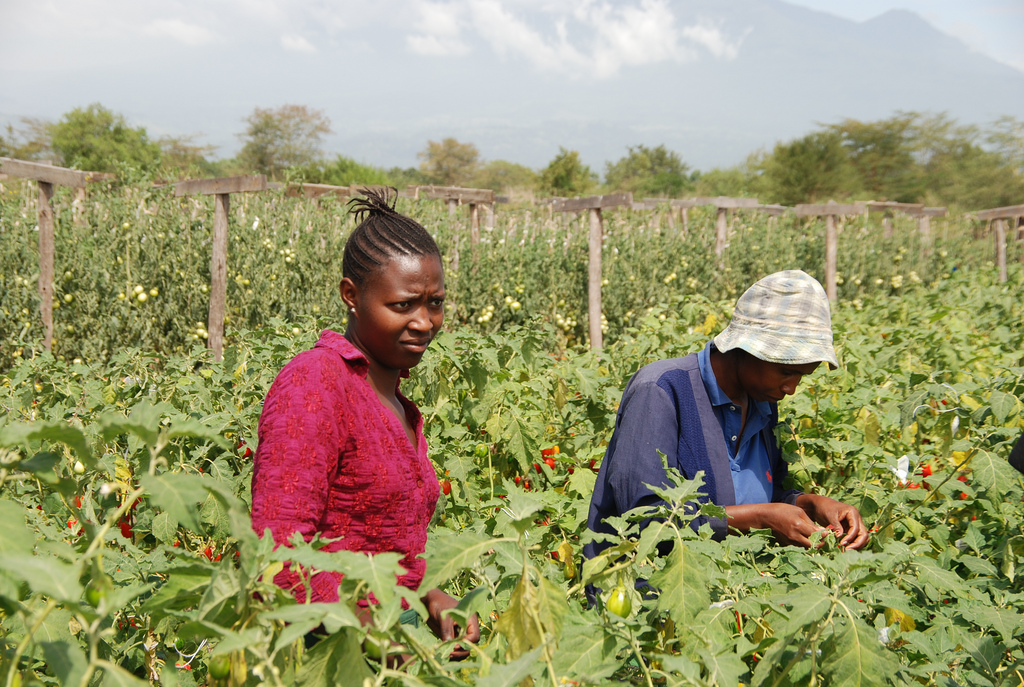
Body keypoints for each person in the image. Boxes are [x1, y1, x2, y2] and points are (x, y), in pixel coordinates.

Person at [250, 188, 479, 654]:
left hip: (389, 644)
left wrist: (428, 597)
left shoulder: (393, 398)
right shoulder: (316, 383)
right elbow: (275, 558)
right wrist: (374, 625)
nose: (424, 321)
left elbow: (383, 552)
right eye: (403, 305)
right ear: (351, 296)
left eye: (434, 303)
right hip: (327, 653)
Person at [585, 270, 869, 559]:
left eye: (802, 376)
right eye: (786, 371)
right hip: (645, 593)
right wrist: (761, 519)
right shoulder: (660, 390)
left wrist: (810, 504)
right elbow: (646, 521)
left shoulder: (762, 402)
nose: (791, 388)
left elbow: (761, 497)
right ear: (746, 346)